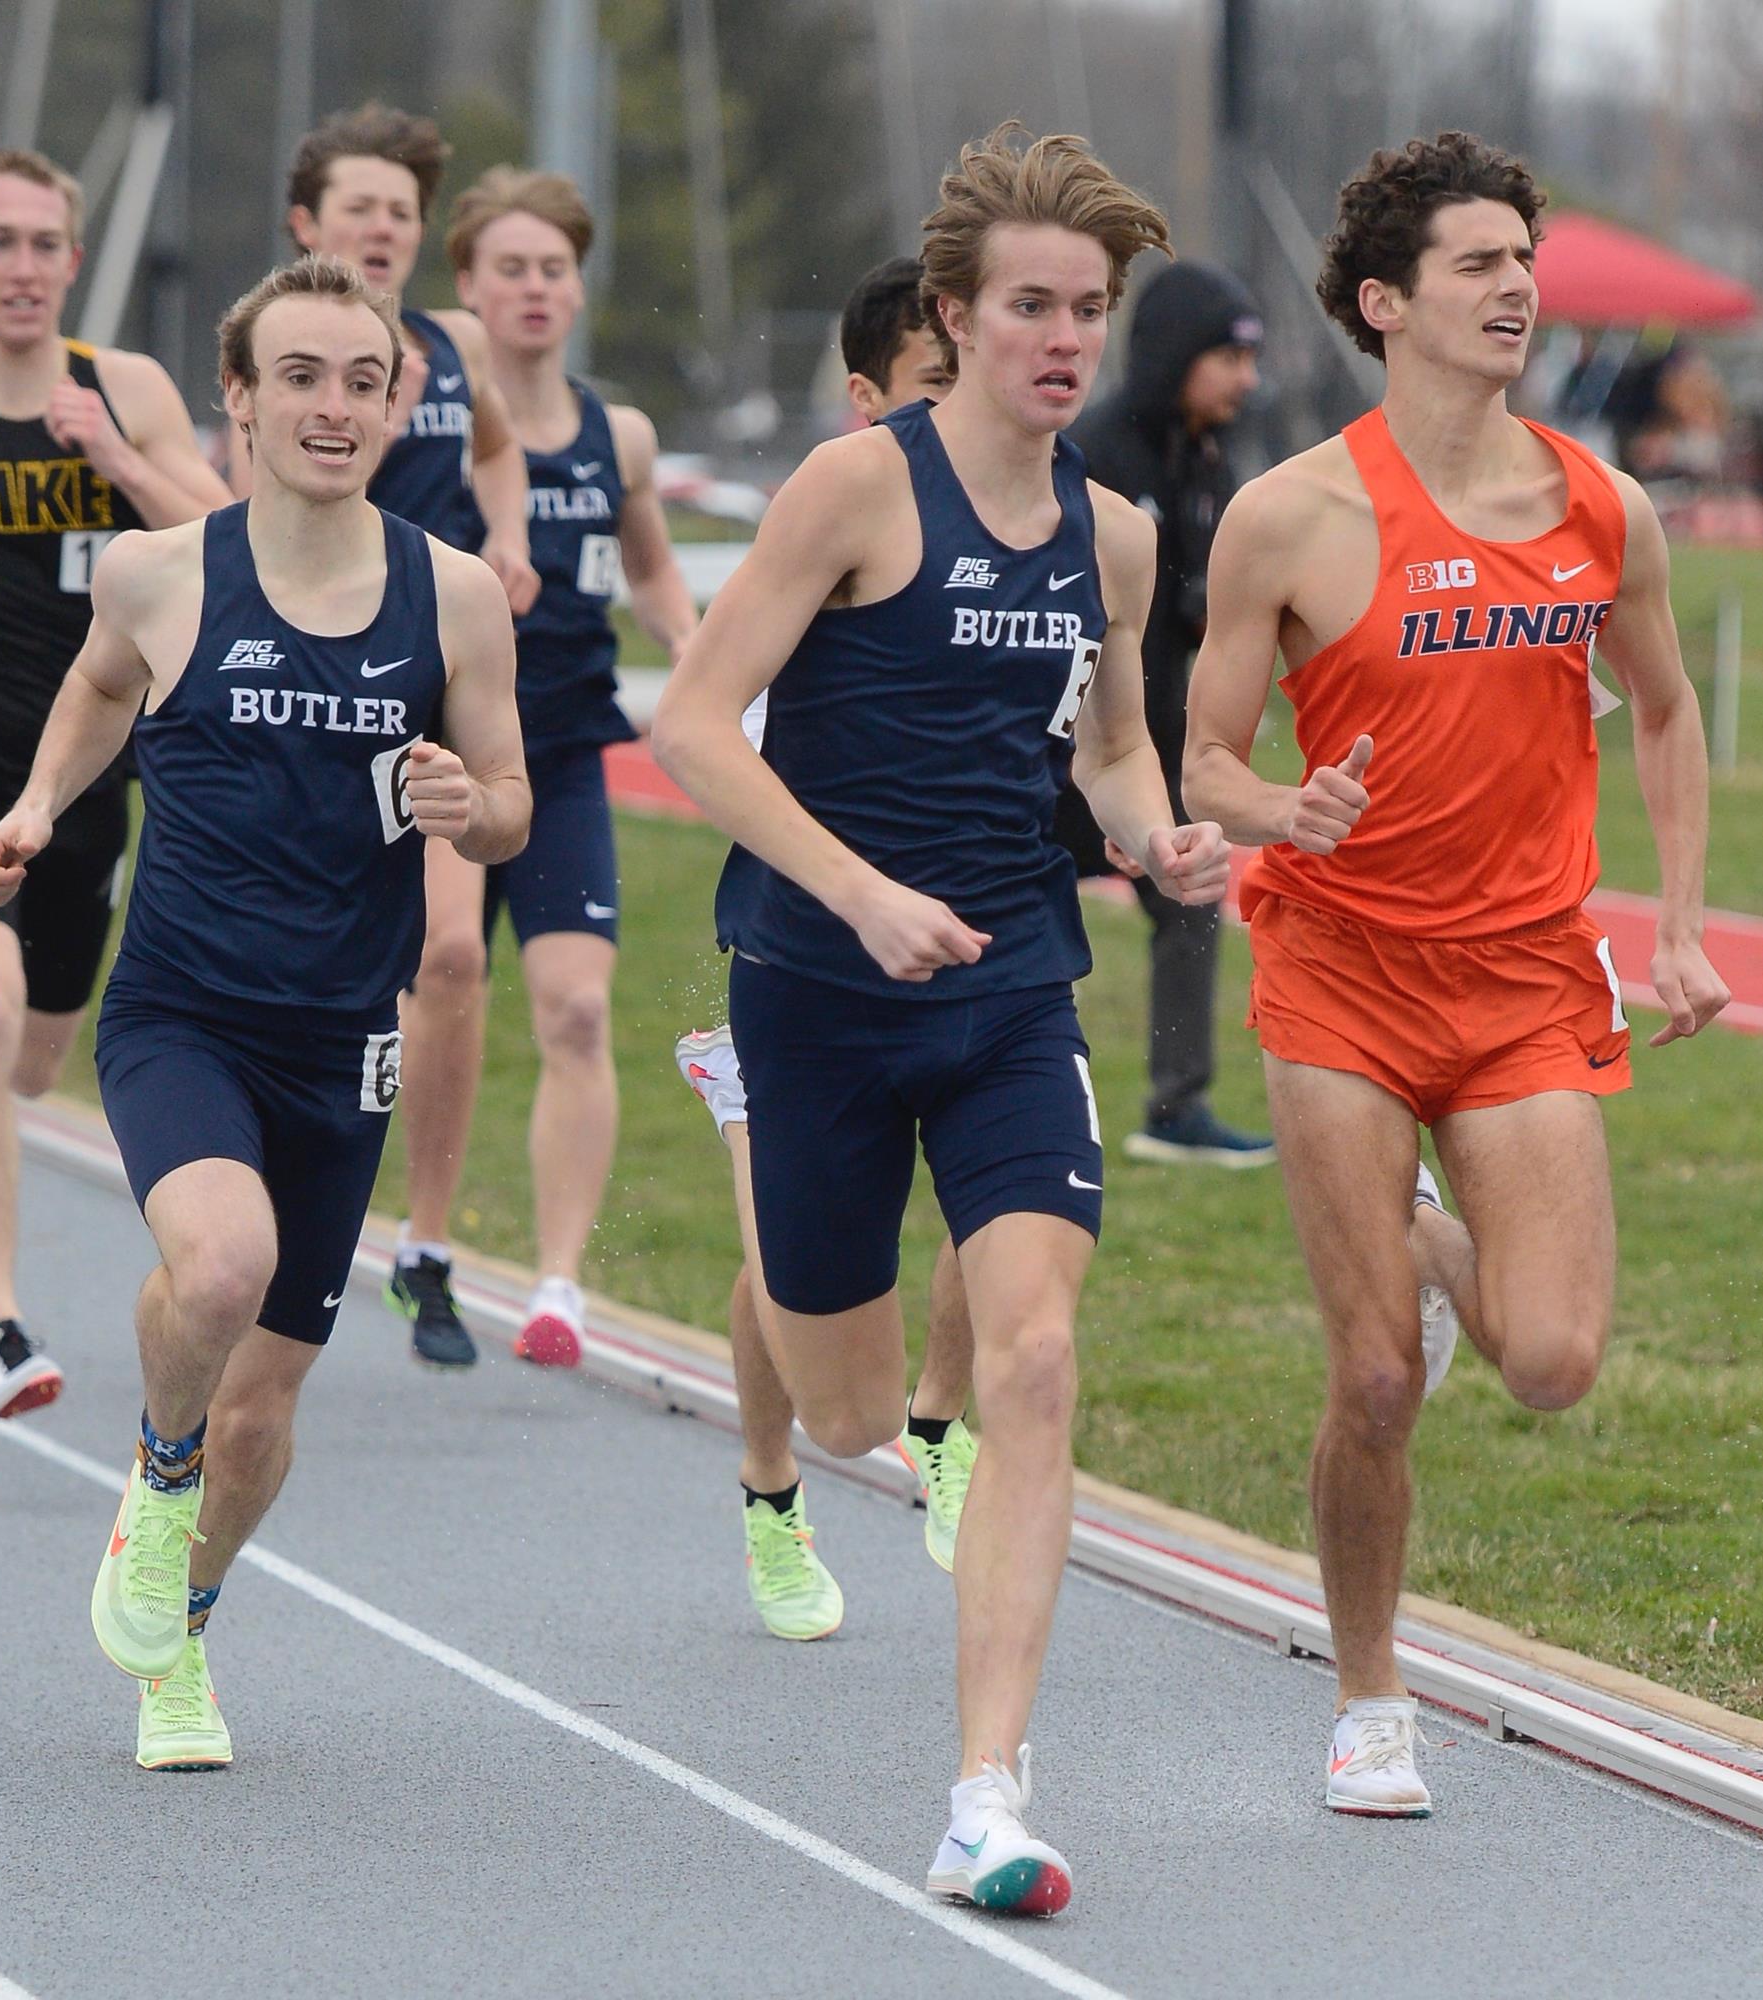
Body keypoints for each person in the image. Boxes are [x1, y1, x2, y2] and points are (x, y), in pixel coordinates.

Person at [654, 126, 1229, 1913]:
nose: (1066, 338)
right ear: (960, 320)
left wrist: (1160, 838)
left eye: (1092, 311)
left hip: (1007, 997)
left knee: (1035, 1355)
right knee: (841, 1418)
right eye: (1033, 307)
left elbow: (1112, 747)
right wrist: (859, 893)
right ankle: (742, 1109)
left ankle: (988, 1792)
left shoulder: (1113, 536)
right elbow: (689, 727)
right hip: (819, 991)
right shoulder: (855, 490)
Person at [1184, 131, 1730, 1818]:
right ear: (1386, 302)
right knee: (1375, 1376)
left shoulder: (1597, 502)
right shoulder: (1289, 516)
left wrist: (1686, 928)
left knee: (1555, 1361)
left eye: (1522, 261)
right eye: (1479, 266)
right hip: (1341, 975)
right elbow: (1203, 760)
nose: (1516, 289)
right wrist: (1288, 807)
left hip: (1523, 983)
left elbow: (1664, 703)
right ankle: (1370, 1698)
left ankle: (1427, 1231)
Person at [0, 253, 528, 1771]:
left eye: (364, 381)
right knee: (220, 1273)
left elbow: (515, 813)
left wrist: (468, 805)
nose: (334, 407)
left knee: (266, 1412)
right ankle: (156, 1483)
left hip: (342, 1037)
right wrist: (34, 807)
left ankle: (181, 1642)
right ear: (241, 397)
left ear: (398, 403)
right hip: (182, 1014)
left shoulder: (455, 595)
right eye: (302, 377)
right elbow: (98, 687)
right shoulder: (166, 570)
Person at [673, 255, 976, 1643]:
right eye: (931, 388)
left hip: (978, 942)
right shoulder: (834, 512)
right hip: (811, 950)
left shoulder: (1042, 513)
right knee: (793, 1279)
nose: (963, 416)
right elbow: (701, 720)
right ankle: (772, 1486)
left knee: (1008, 1191)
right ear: (866, 402)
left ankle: (947, 1420)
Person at [0, 147, 231, 1418]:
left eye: (42, 243)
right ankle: (0, 1322)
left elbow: (230, 539)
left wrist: (112, 452)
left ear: (72, 257)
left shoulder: (123, 388)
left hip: (83, 773)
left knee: (35, 1051)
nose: (20, 266)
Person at [266, 102, 539, 1369]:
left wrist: (511, 542)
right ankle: (252, 1172)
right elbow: (232, 518)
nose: (383, 227)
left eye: (401, 210)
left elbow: (500, 453)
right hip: (298, 693)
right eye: (358, 207)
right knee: (307, 957)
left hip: (429, 686)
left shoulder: (450, 345)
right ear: (308, 225)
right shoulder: (284, 363)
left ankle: (424, 1246)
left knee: (449, 953)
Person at [443, 167, 695, 1367]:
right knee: (423, 984)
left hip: (564, 756)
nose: (535, 289)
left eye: (554, 268)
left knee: (579, 1010)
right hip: (434, 759)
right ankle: (398, 1233)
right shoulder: (431, 422)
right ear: (467, 288)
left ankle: (556, 1284)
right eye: (511, 268)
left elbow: (646, 569)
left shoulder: (618, 434)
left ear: (579, 288)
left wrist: (695, 647)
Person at [1057, 259, 1274, 1166]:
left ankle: (1175, 1106)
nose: (1245, 379)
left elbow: (1201, 603)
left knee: (1189, 902)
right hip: (1057, 741)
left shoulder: (1207, 456)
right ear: (1175, 353)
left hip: (1149, 741)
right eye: (1227, 356)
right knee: (1006, 910)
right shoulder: (1094, 448)